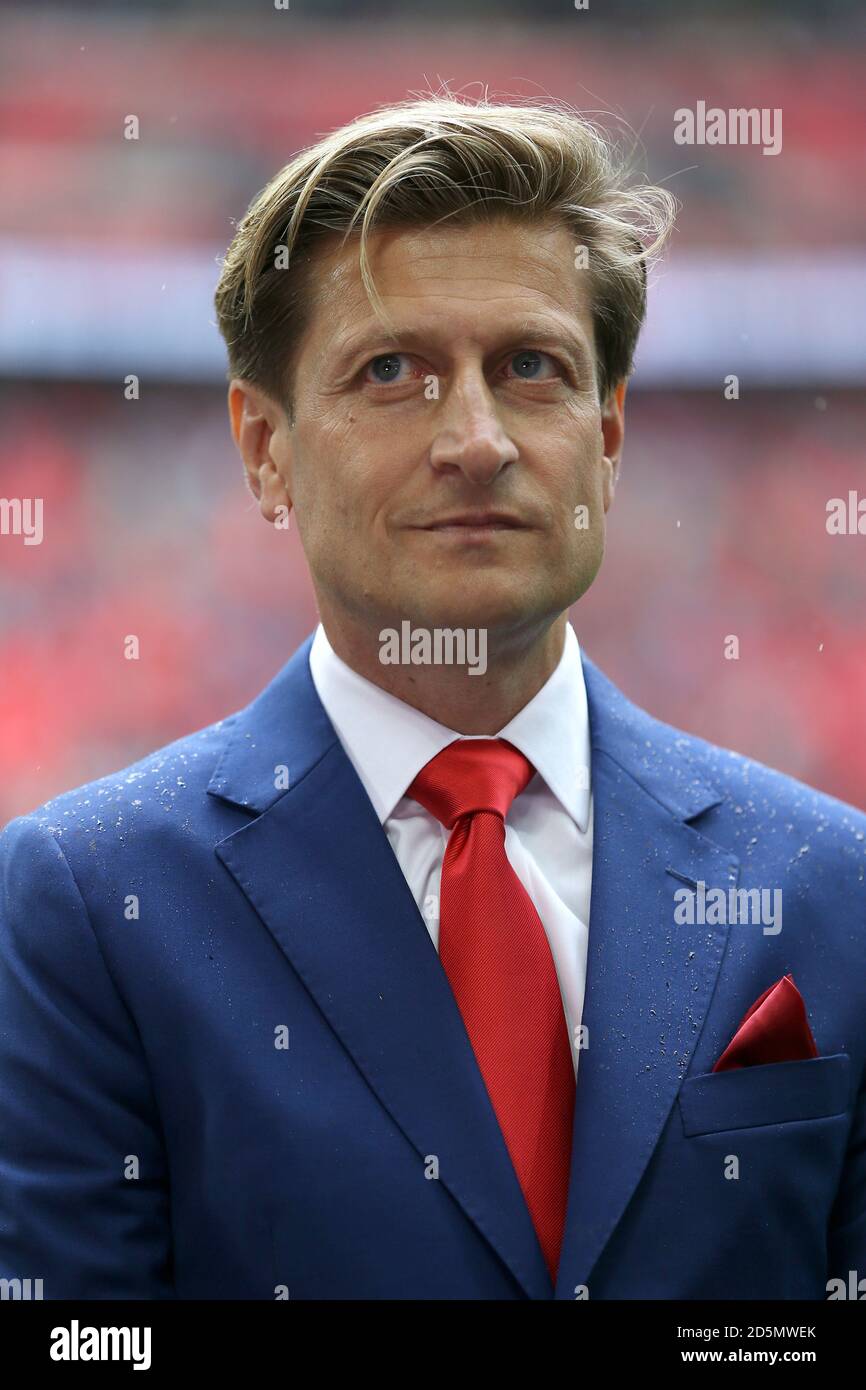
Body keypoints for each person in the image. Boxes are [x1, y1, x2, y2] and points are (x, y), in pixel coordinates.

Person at [1, 96, 864, 1301]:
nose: (474, 439)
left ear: (606, 437)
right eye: (391, 370)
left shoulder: (832, 882)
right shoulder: (86, 900)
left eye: (530, 368)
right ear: (265, 449)